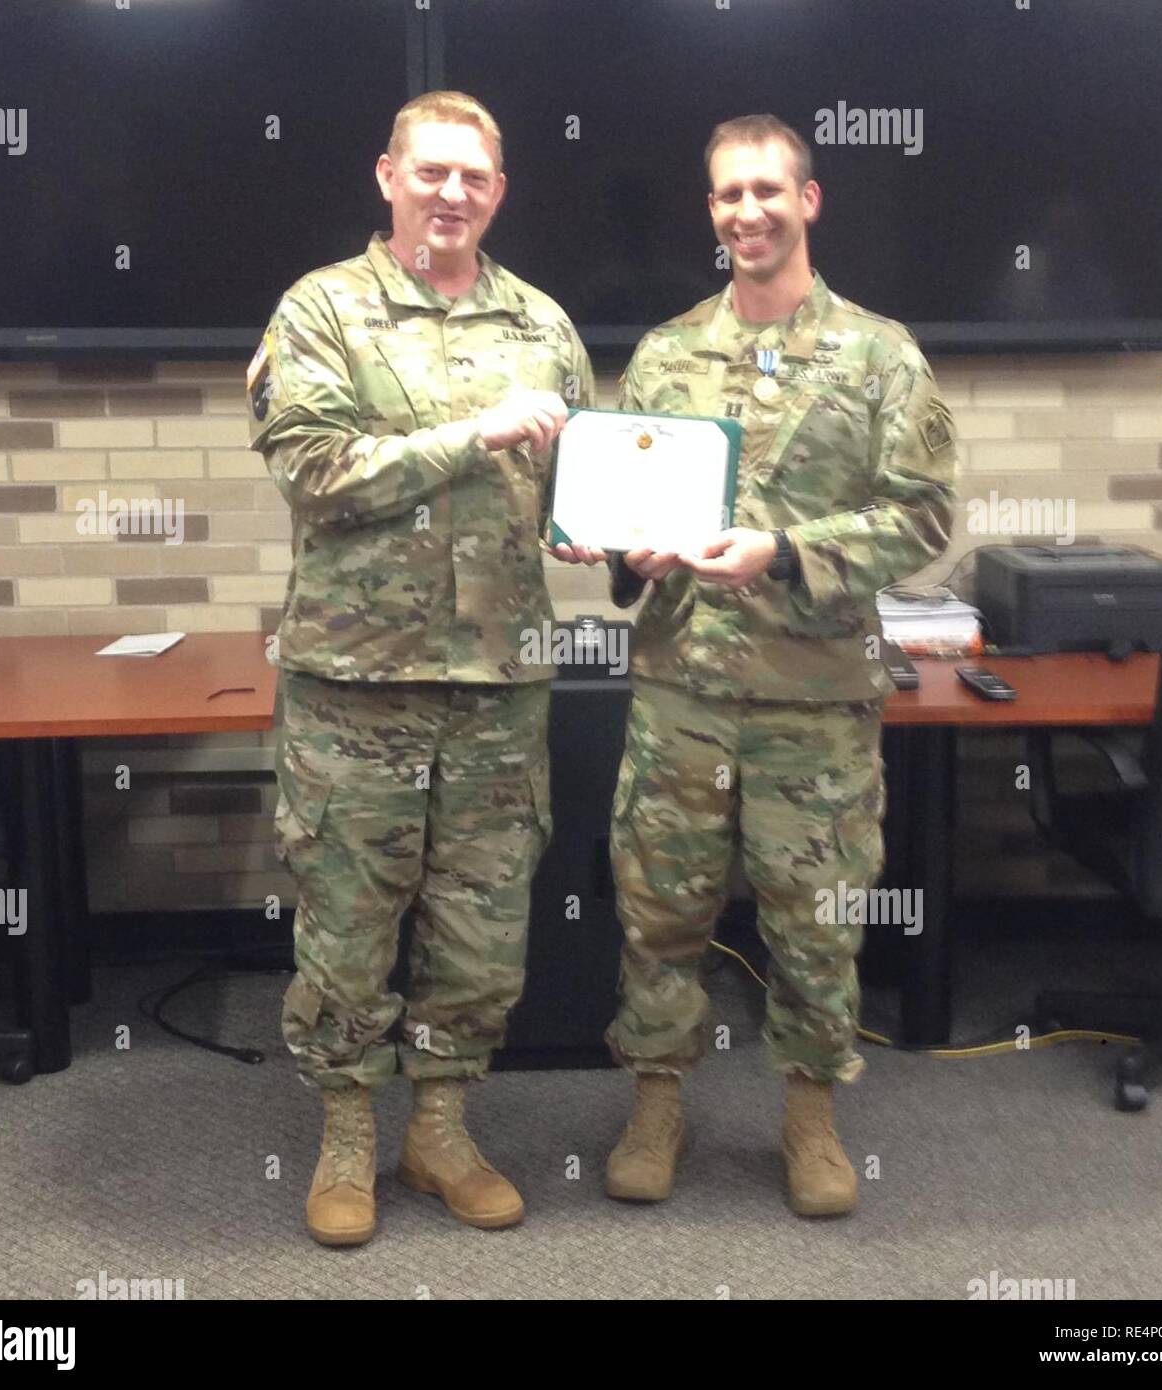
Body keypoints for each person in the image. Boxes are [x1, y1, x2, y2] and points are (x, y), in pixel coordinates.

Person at [248, 91, 593, 1246]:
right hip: (358, 687)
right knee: (347, 919)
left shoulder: (542, 324)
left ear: (499, 191)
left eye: (476, 177)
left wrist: (586, 526)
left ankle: (439, 1127)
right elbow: (315, 470)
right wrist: (473, 435)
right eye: (431, 171)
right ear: (386, 174)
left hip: (499, 687)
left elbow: (567, 485)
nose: (453, 193)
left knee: (481, 925)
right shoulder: (323, 311)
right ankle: (347, 1134)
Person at [597, 114, 957, 1216]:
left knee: (816, 917)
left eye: (764, 190)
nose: (744, 211)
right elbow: (624, 514)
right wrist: (627, 550)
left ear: (809, 199)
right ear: (711, 213)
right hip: (682, 692)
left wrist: (789, 552)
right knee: (660, 912)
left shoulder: (880, 354)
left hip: (816, 702)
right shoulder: (665, 353)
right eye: (724, 196)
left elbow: (923, 513)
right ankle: (657, 1102)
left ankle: (810, 1114)